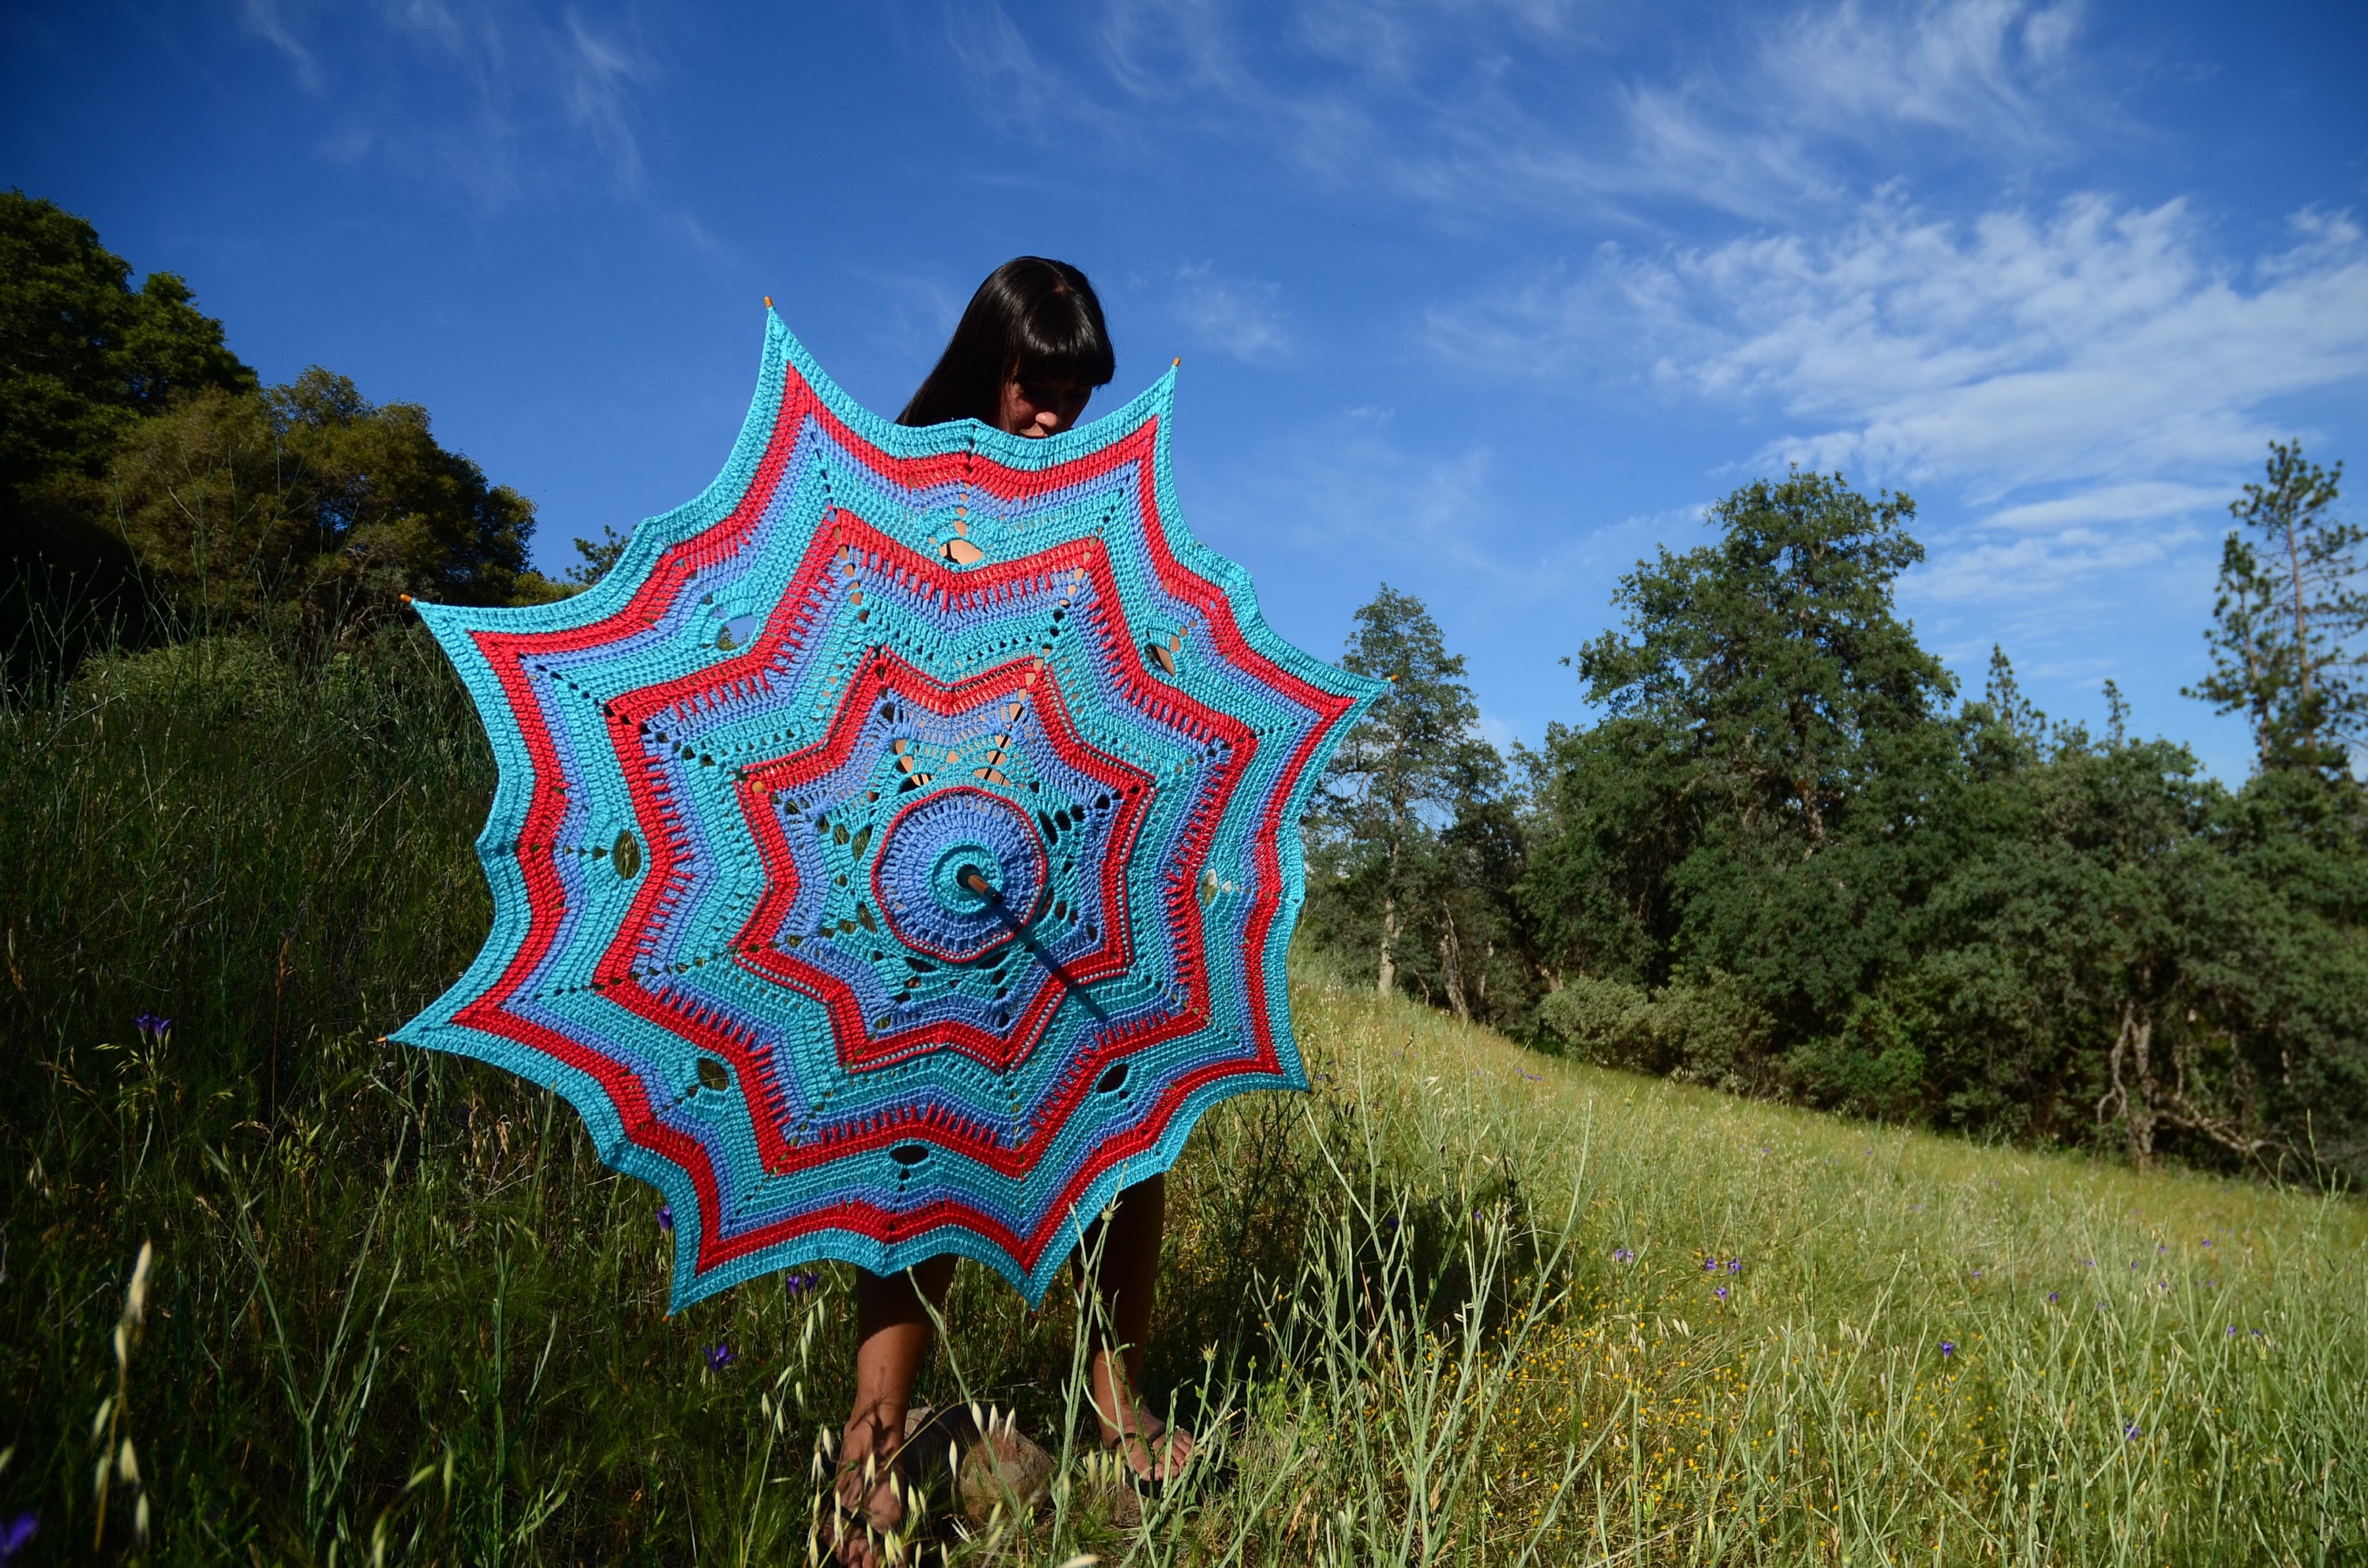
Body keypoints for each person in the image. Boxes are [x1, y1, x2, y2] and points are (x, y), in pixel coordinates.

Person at [830, 257, 1194, 1566]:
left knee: (1130, 1114)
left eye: (1072, 398)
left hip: (1050, 869)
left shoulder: (1091, 512)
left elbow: (1121, 666)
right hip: (905, 875)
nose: (1051, 419)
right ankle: (869, 1466)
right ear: (987, 358)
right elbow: (851, 670)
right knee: (916, 1154)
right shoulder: (886, 487)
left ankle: (1118, 1414)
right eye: (1035, 388)